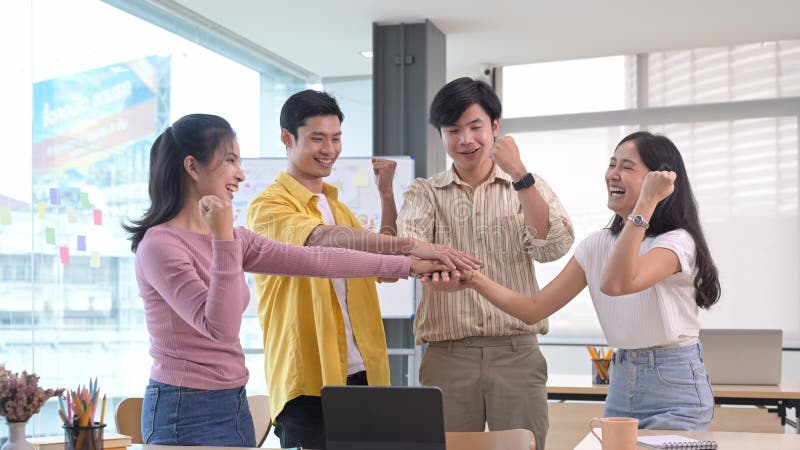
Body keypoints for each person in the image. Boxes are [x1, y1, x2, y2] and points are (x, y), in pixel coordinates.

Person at [123, 113, 448, 447]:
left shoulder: (235, 238)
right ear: (192, 167)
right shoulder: (160, 244)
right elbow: (220, 328)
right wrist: (222, 239)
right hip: (184, 406)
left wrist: (409, 265)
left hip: (232, 400)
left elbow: (317, 260)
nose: (240, 173)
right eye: (230, 160)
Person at [425, 131, 722, 431]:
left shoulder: (677, 242)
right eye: (612, 164)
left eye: (627, 167)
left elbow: (617, 283)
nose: (613, 175)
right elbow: (534, 308)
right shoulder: (597, 245)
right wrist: (474, 279)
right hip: (622, 381)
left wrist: (646, 201)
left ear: (658, 182)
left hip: (673, 383)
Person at [245, 90, 481, 450]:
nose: (329, 149)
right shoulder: (268, 205)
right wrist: (413, 246)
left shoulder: (337, 206)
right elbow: (321, 240)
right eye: (318, 139)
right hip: (308, 381)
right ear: (287, 138)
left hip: (364, 375)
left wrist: (386, 195)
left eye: (336, 138)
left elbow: (382, 270)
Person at [397, 77, 574, 450]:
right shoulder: (424, 191)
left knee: (524, 447)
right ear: (441, 136)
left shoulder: (527, 185)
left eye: (475, 127)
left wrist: (519, 174)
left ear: (495, 127)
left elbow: (551, 246)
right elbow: (409, 250)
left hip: (516, 352)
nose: (466, 140)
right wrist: (429, 268)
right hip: (447, 356)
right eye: (452, 130)